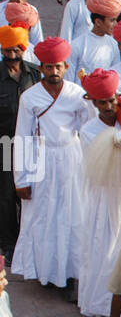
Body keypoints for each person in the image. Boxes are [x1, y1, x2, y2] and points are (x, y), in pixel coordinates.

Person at [12, 37, 89, 290]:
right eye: (48, 67)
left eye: (58, 66)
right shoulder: (29, 97)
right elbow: (22, 137)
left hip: (71, 158)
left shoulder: (77, 94)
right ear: (40, 68)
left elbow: (87, 130)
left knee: (73, 217)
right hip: (41, 160)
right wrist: (21, 180)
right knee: (44, 217)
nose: (53, 72)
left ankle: (71, 275)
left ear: (66, 67)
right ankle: (46, 273)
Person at [76, 69, 121, 317]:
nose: (107, 107)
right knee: (102, 251)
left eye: (112, 101)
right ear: (93, 103)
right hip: (104, 198)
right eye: (101, 102)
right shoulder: (88, 130)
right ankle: (100, 306)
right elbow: (100, 161)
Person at [0, 23, 39, 260]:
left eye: (16, 50)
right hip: (5, 144)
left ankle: (30, 238)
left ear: (23, 49)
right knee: (6, 193)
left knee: (30, 190)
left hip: (31, 145)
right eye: (7, 51)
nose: (11, 56)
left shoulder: (35, 73)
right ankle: (9, 243)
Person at [67, 0, 121, 78]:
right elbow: (69, 79)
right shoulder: (77, 45)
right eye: (112, 20)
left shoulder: (113, 44)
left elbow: (116, 76)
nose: (115, 24)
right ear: (98, 22)